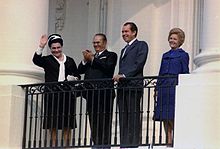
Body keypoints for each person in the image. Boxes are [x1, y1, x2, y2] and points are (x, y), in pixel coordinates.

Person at [32, 34, 80, 147]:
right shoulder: (48, 60)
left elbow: (77, 75)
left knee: (67, 123)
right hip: (52, 95)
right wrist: (41, 46)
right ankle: (54, 146)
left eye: (58, 47)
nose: (56, 50)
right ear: (51, 49)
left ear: (62, 47)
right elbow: (36, 60)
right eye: (53, 48)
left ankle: (66, 146)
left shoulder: (70, 60)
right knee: (52, 123)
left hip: (67, 96)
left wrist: (73, 78)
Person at [78, 33, 117, 148]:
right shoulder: (90, 58)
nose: (96, 45)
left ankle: (104, 146)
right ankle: (96, 145)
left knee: (104, 121)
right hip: (91, 94)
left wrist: (92, 59)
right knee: (93, 121)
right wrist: (85, 60)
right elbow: (80, 70)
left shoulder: (111, 55)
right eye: (94, 43)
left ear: (104, 43)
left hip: (105, 94)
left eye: (98, 42)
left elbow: (108, 68)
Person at [113, 22, 148, 148]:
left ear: (134, 32)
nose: (124, 34)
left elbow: (139, 64)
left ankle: (133, 144)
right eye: (123, 32)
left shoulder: (141, 45)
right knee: (123, 115)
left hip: (133, 86)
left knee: (133, 115)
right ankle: (124, 143)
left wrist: (124, 75)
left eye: (126, 31)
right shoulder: (124, 49)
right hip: (122, 87)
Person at [154, 28, 189, 146]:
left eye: (174, 39)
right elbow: (160, 72)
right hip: (164, 86)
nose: (172, 40)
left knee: (173, 115)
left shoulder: (183, 55)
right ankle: (168, 140)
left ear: (180, 41)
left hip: (174, 87)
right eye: (170, 38)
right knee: (164, 115)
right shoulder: (165, 55)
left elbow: (185, 71)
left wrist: (184, 87)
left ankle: (177, 138)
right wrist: (157, 88)